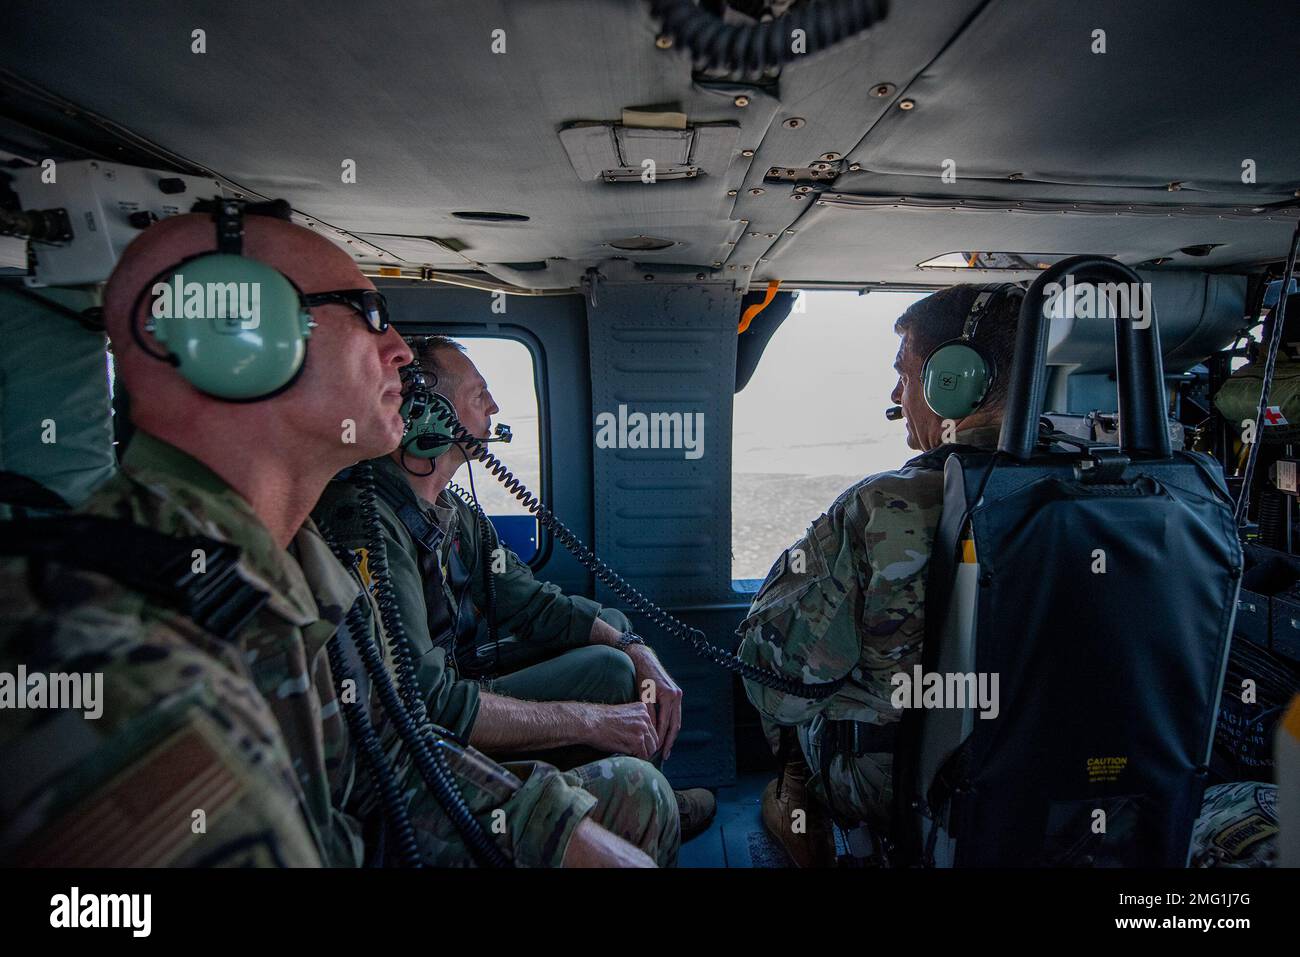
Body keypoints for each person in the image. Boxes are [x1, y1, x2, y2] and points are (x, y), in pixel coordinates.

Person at [0, 207, 676, 867]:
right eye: (367, 314)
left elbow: (388, 752)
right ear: (238, 343)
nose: (400, 351)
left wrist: (559, 832)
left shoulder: (299, 564)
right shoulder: (100, 646)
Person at [313, 335, 717, 839]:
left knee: (611, 639)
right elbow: (427, 703)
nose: (495, 407)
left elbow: (530, 603)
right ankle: (636, 802)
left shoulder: (454, 513)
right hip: (423, 738)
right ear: (427, 410)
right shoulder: (368, 521)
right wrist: (587, 721)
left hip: (459, 681)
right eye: (479, 394)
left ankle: (641, 807)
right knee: (607, 673)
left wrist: (637, 649)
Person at [736, 284, 1018, 866]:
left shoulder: (884, 504)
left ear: (955, 380)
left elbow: (778, 685)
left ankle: (798, 801)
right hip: (1089, 770)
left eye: (906, 373)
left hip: (913, 784)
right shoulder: (1134, 493)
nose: (896, 395)